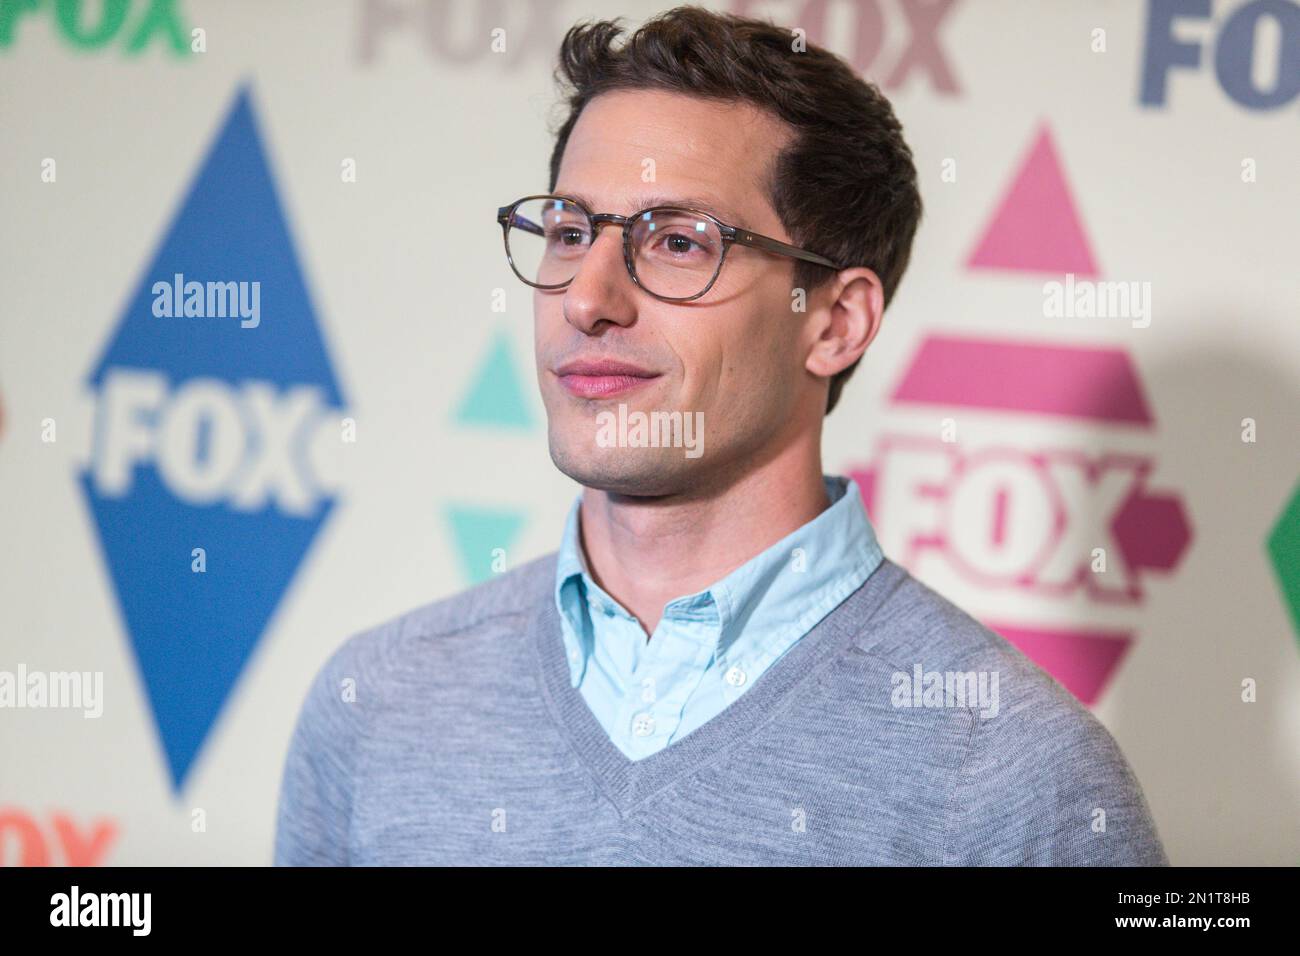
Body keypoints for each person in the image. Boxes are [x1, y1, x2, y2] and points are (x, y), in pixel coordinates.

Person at [274, 5, 1167, 865]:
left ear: (836, 323)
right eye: (569, 231)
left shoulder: (1018, 777)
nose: (587, 298)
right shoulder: (380, 702)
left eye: (678, 242)